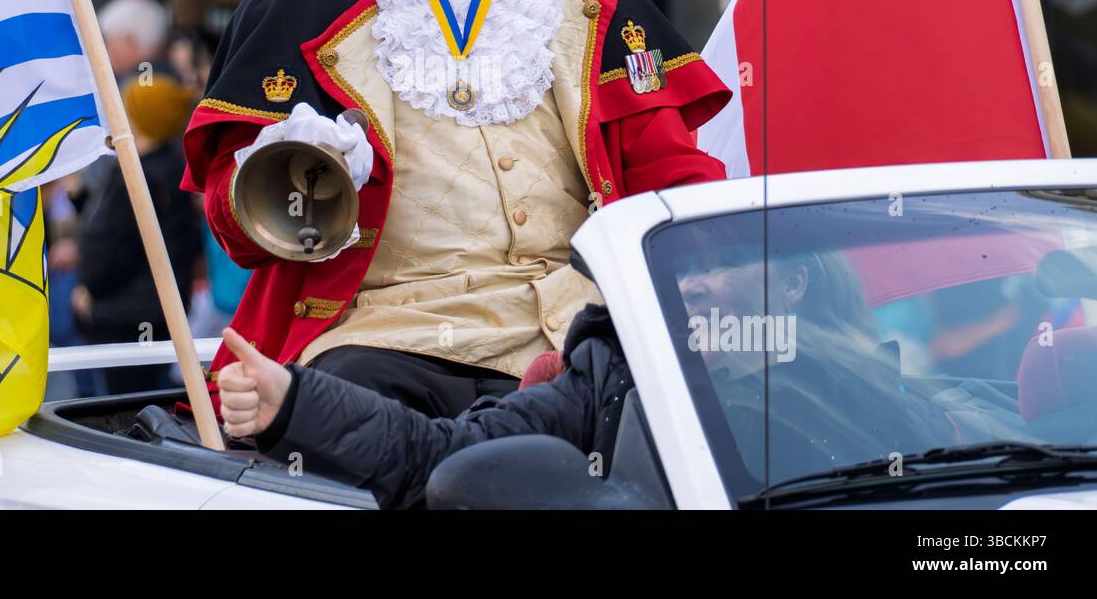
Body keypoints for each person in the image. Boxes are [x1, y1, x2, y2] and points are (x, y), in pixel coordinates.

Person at [183, 0, 731, 419]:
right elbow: (234, 226)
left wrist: (721, 275)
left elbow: (673, 186)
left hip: (565, 332)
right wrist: (288, 167)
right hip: (376, 334)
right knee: (341, 413)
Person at [215, 249, 956, 509]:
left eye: (716, 266)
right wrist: (296, 403)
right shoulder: (605, 378)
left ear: (793, 288)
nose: (690, 286)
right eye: (682, 271)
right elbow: (439, 456)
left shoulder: (900, 399)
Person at [72, 68, 202, 394]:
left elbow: (116, 244)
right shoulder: (170, 168)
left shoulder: (140, 176)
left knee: (119, 411)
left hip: (126, 316)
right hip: (153, 311)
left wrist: (91, 286)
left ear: (143, 119)